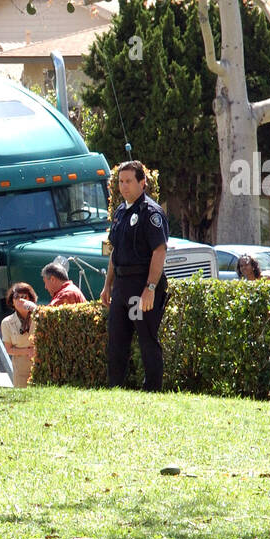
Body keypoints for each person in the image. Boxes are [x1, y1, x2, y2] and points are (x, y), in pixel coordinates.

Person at [100, 161, 169, 391]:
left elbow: (159, 251)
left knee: (146, 339)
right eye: (121, 181)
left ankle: (153, 391)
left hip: (141, 285)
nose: (124, 186)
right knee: (117, 340)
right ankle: (115, 389)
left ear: (142, 182)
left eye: (129, 181)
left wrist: (150, 288)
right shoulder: (120, 212)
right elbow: (115, 251)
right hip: (122, 286)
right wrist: (107, 285)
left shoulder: (150, 212)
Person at [0, 282, 39, 388]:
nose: (20, 300)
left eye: (24, 297)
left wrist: (35, 309)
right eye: (16, 297)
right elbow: (9, 349)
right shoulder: (7, 322)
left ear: (30, 299)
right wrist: (28, 351)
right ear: (12, 301)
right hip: (21, 369)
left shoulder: (39, 317)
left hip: (40, 364)